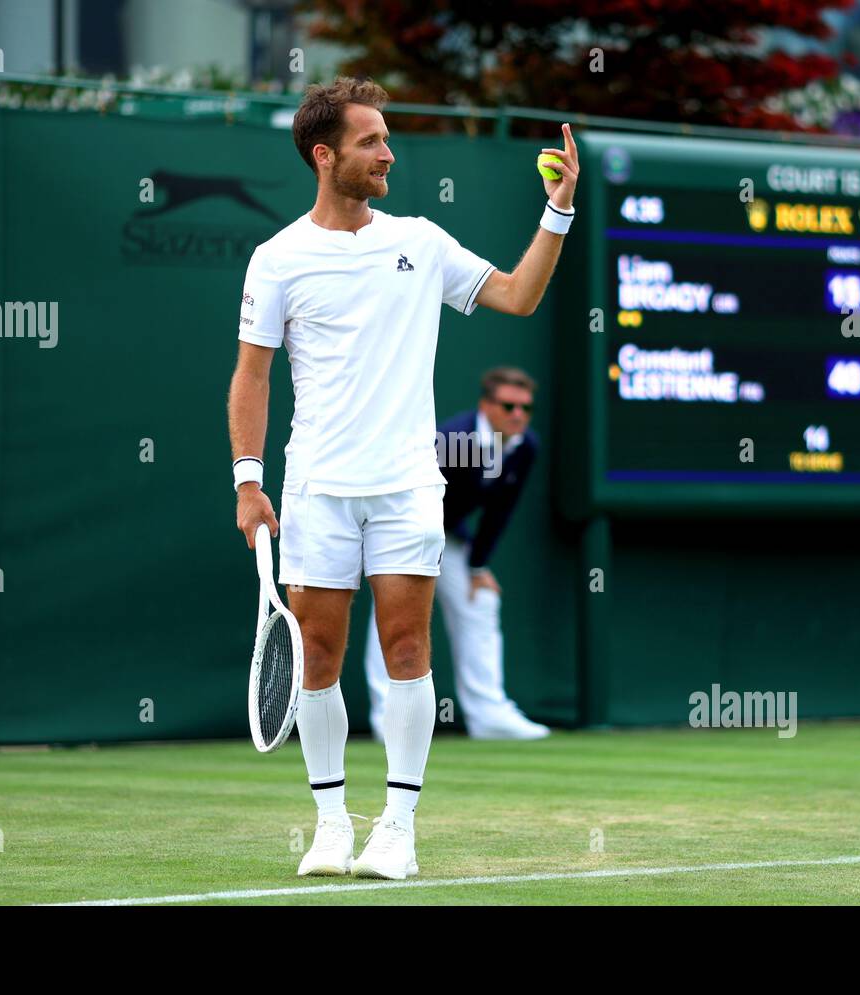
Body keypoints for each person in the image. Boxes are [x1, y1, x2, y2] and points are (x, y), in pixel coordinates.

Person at [228, 76, 578, 879]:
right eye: (370, 141)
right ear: (325, 156)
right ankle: (328, 823)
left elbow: (519, 296)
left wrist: (557, 210)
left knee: (407, 647)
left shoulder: (423, 240)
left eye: (387, 138)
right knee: (318, 654)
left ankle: (399, 826)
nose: (388, 153)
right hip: (316, 486)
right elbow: (251, 377)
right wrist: (249, 480)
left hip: (408, 486)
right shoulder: (276, 257)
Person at [364, 367, 548, 741]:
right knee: (393, 611)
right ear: (487, 405)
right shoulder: (455, 440)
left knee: (481, 601)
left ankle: (489, 714)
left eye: (526, 408)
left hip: (447, 536)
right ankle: (388, 716)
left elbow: (501, 510)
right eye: (509, 406)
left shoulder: (525, 445)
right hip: (397, 526)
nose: (518, 415)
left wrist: (478, 563)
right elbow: (411, 495)